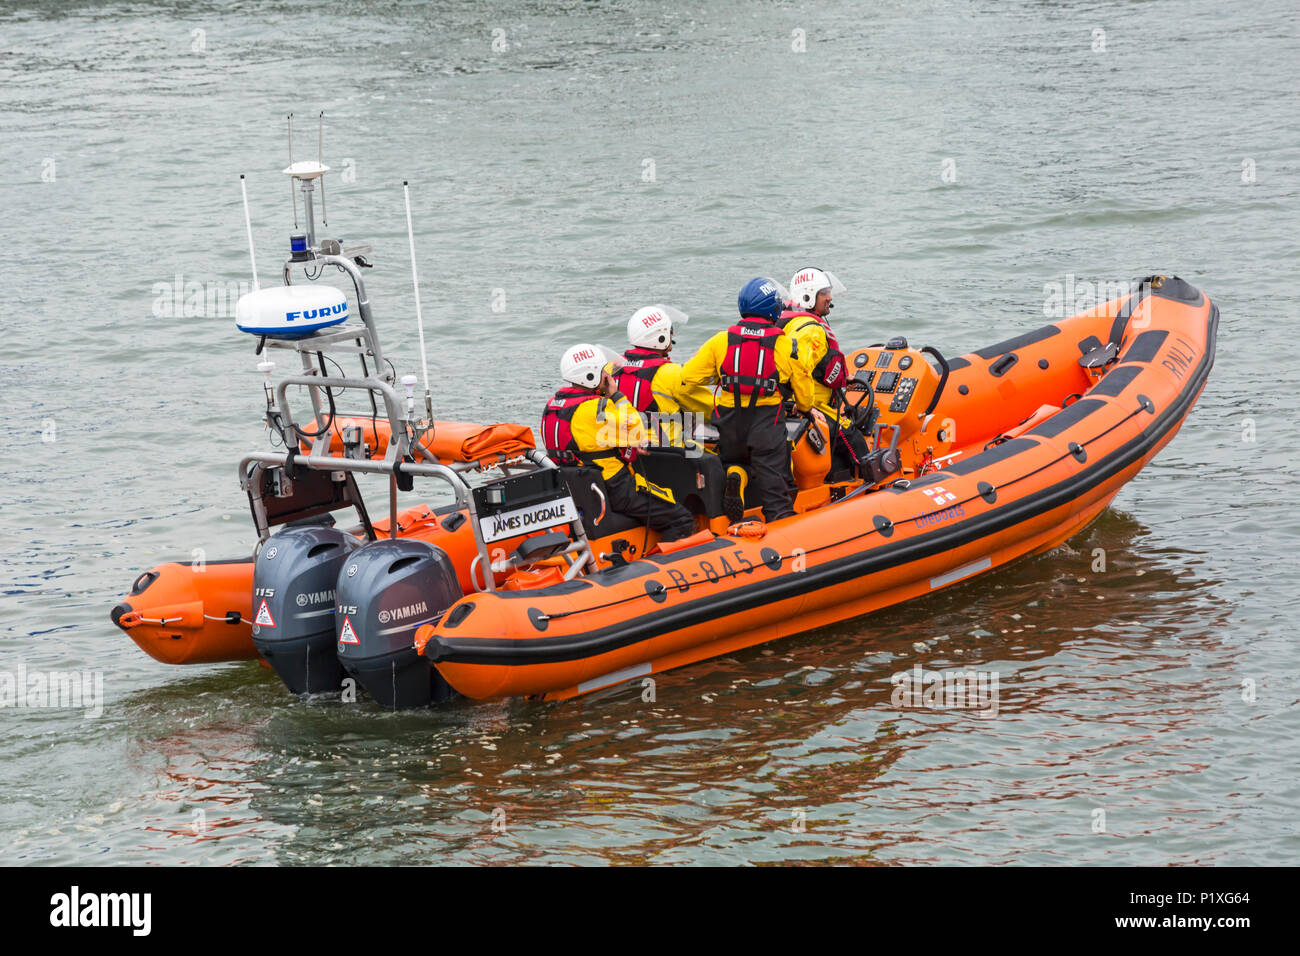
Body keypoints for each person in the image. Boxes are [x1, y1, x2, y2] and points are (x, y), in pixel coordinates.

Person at [681, 277, 815, 523]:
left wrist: (725, 378)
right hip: (766, 423)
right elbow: (804, 390)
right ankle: (779, 519)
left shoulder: (721, 340)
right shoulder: (785, 344)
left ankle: (734, 477)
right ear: (773, 309)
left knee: (734, 460)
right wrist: (805, 407)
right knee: (773, 478)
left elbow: (688, 377)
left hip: (729, 423)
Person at [541, 343, 697, 542]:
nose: (609, 376)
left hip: (578, 489)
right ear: (592, 376)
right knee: (681, 518)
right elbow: (638, 431)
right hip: (615, 489)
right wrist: (615, 394)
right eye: (605, 373)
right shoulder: (596, 409)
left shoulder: (553, 406)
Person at [782, 267, 872, 480]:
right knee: (853, 438)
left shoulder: (790, 322)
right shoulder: (810, 330)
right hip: (813, 406)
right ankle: (873, 485)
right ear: (808, 296)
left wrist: (843, 378)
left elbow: (818, 367)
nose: (830, 298)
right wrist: (807, 408)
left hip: (794, 403)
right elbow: (801, 369)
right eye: (824, 293)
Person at [614, 305, 715, 447]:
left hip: (623, 448)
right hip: (666, 453)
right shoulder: (671, 373)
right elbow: (710, 409)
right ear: (661, 337)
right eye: (670, 331)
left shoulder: (611, 367)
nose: (672, 335)